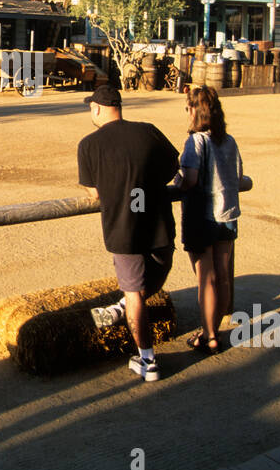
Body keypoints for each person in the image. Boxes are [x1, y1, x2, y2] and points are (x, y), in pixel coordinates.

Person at [81, 84, 180, 382]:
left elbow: (94, 192)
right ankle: (123, 307)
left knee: (134, 292)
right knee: (155, 278)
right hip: (159, 223)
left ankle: (147, 360)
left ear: (97, 108)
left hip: (124, 229)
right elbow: (172, 169)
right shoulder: (148, 131)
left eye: (90, 108)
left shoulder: (88, 145)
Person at [176, 85, 243, 356]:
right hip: (228, 214)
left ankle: (209, 335)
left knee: (207, 278)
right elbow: (239, 178)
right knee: (223, 276)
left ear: (194, 110)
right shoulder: (228, 140)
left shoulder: (196, 141)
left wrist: (179, 180)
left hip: (203, 215)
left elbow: (191, 179)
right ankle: (215, 330)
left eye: (187, 108)